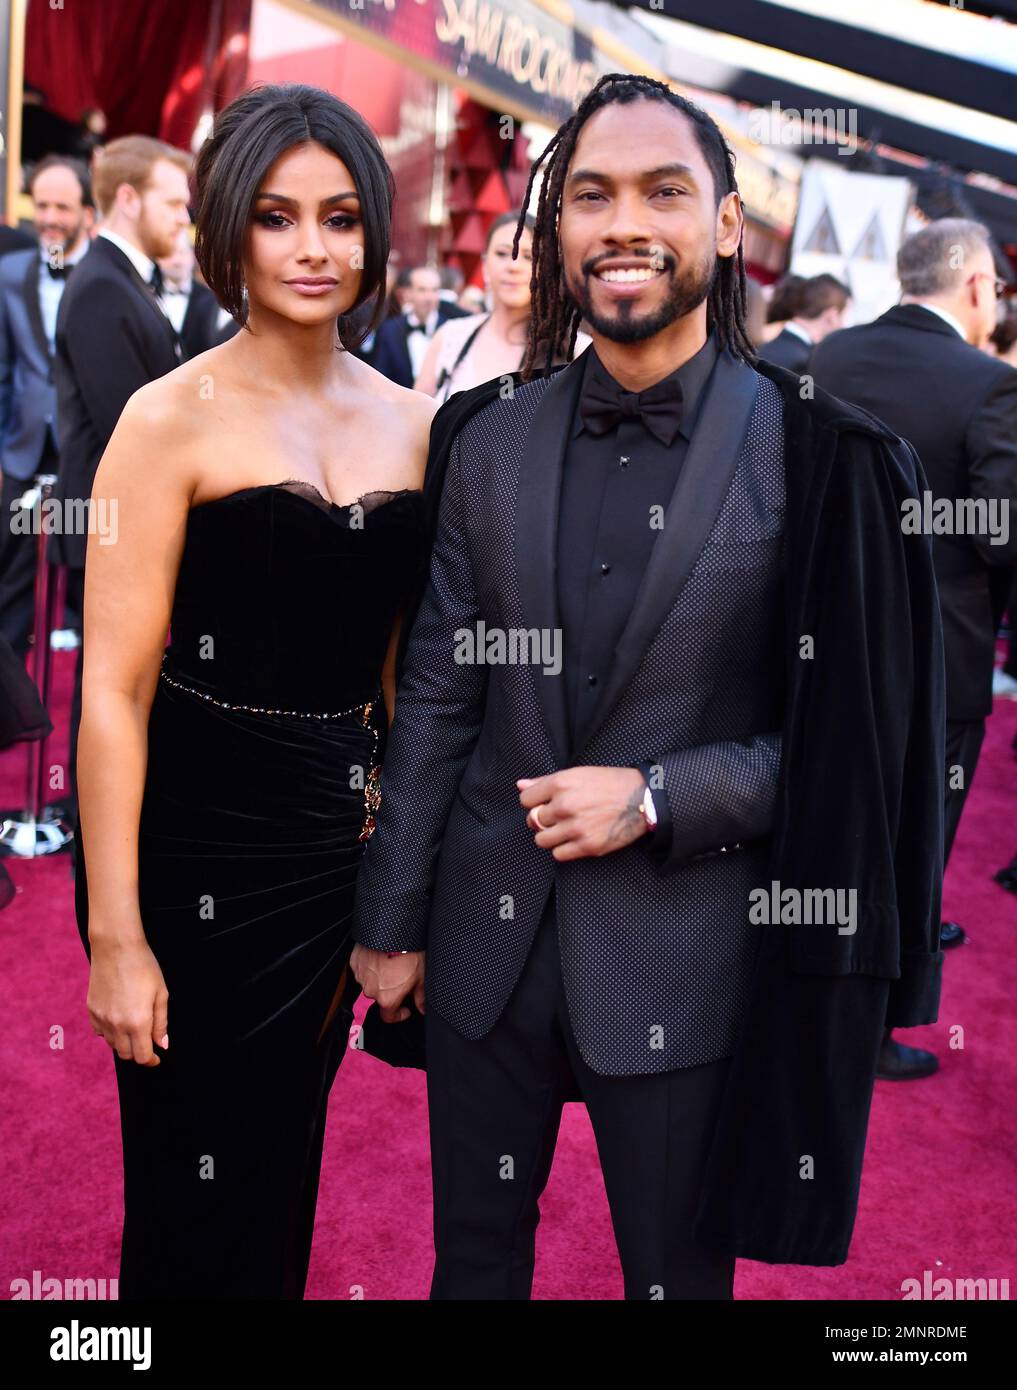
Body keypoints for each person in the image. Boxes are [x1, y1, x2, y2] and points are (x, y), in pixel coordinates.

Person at [351, 73, 944, 1297]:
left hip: (686, 960)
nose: (624, 222)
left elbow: (850, 749)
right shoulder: (485, 436)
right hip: (483, 943)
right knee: (468, 1268)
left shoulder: (822, 455)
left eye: (663, 191)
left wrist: (664, 793)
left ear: (726, 225)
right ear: (554, 229)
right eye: (591, 195)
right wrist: (390, 917)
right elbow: (445, 696)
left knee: (675, 1280)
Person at [73, 82, 434, 1299]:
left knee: (282, 1165)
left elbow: (403, 671)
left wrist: (399, 868)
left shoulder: (416, 423)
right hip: (191, 851)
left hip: (332, 854)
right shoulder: (163, 421)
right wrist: (115, 934)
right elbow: (113, 694)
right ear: (229, 228)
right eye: (278, 218)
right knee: (185, 1183)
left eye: (341, 217)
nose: (314, 248)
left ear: (376, 232)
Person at [811, 217, 1017, 1076]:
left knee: (827, 829)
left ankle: (810, 1002)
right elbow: (1002, 534)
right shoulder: (988, 385)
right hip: (938, 657)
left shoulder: (824, 358)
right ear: (973, 286)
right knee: (910, 844)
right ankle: (868, 1030)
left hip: (819, 644)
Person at [53, 135, 190, 828]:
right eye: (173, 202)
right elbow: (124, 424)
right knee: (105, 680)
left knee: (116, 674)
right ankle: (91, 814)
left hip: (123, 517)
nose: (183, 218)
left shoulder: (122, 276)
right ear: (128, 198)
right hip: (110, 518)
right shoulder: (103, 282)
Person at [0, 156, 93, 656]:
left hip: (82, 446)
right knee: (12, 570)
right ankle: (10, 696)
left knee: (81, 557)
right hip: (23, 447)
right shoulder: (9, 273)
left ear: (85, 211)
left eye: (63, 205)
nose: (51, 216)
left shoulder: (103, 276)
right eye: (42, 205)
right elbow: (3, 369)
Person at [415, 212, 540, 401]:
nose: (513, 266)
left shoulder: (576, 350)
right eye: (502, 253)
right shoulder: (450, 338)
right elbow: (416, 421)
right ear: (484, 265)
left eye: (528, 256)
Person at [370, 263, 466, 388]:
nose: (429, 297)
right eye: (422, 290)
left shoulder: (452, 330)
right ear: (408, 293)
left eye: (434, 290)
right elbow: (380, 376)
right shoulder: (389, 330)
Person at [156, 225, 229, 360]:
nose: (177, 261)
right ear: (158, 258)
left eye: (182, 253)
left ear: (192, 256)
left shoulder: (212, 300)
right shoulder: (150, 295)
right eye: (170, 254)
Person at [757, 272, 849, 372]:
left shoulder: (761, 345)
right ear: (832, 316)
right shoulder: (807, 363)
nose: (843, 325)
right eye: (843, 317)